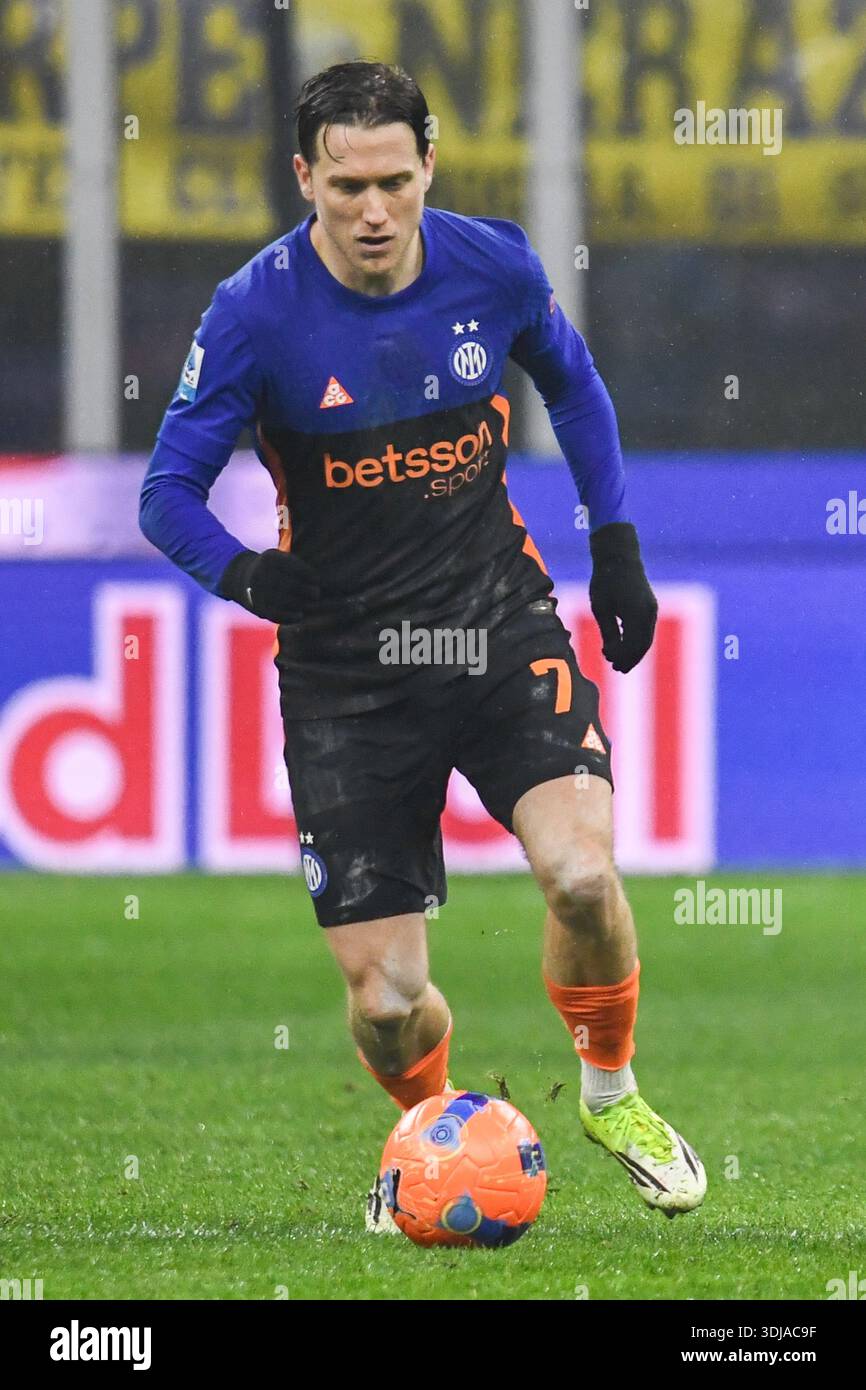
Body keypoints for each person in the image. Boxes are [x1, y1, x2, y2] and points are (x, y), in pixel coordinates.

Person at [140, 60, 705, 1229]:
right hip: (346, 671)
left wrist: (616, 545)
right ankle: (432, 1138)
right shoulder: (253, 310)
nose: (372, 211)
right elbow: (166, 493)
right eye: (344, 185)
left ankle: (609, 1091)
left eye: (394, 180)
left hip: (493, 623)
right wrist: (246, 574)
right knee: (388, 1001)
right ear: (304, 178)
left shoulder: (490, 262)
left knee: (583, 873)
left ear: (427, 167)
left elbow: (575, 381)